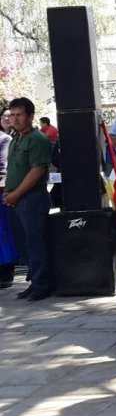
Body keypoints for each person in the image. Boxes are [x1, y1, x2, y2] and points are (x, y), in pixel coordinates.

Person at [2, 97, 53, 301]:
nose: (14, 119)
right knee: (23, 244)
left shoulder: (38, 139)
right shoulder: (16, 139)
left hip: (31, 198)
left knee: (35, 242)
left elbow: (37, 171)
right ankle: (34, 281)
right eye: (12, 115)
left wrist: (16, 193)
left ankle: (43, 284)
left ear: (30, 116)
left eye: (19, 115)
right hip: (15, 200)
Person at [0, 109, 16, 288]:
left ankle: (5, 272)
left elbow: (2, 167)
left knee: (3, 232)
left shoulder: (5, 139)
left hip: (2, 189)